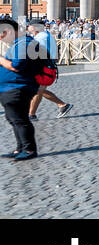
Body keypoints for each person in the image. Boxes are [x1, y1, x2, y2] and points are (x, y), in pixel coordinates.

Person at [0, 17, 40, 160]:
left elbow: (17, 66)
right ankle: (20, 148)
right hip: (11, 87)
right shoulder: (18, 44)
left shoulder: (24, 44)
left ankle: (29, 150)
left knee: (20, 119)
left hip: (18, 87)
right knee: (13, 118)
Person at [26, 19, 72, 121]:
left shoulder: (41, 38)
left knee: (38, 90)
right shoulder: (44, 35)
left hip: (43, 67)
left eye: (29, 25)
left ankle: (61, 105)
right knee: (39, 90)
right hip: (46, 66)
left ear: (35, 27)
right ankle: (32, 114)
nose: (28, 27)